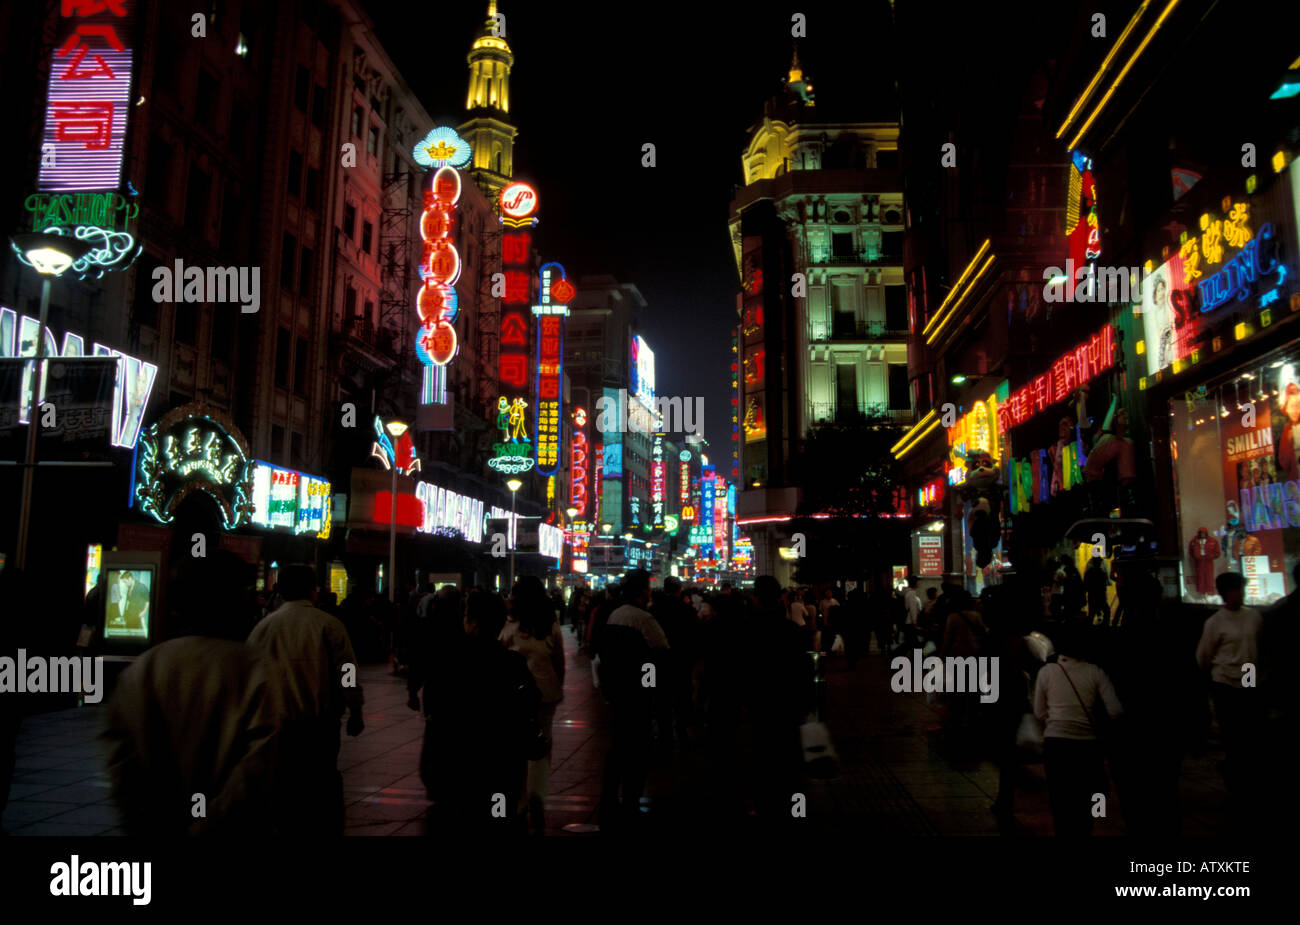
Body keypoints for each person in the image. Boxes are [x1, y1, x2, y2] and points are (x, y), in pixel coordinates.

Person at [103, 551, 279, 835]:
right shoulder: (252, 670)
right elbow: (257, 767)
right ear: (229, 600)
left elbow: (122, 761)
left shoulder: (145, 668)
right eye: (246, 592)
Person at [410, 588, 540, 834]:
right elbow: (529, 702)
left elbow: (434, 710)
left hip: (454, 767)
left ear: (471, 621)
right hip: (500, 767)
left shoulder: (447, 661)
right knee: (499, 820)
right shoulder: (512, 664)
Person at [246, 564, 364, 835]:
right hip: (319, 725)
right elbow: (347, 671)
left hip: (276, 728)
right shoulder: (329, 625)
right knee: (321, 785)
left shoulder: (263, 628)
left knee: (283, 789)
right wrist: (355, 707)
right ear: (314, 590)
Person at [1033, 625, 1123, 836]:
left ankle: (1063, 830)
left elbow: (1039, 712)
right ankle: (1086, 827)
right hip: (1087, 744)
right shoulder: (1095, 672)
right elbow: (1115, 710)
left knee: (1060, 795)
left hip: (1056, 742)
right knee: (1088, 793)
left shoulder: (1047, 672)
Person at [598, 569, 668, 829]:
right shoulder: (643, 618)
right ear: (643, 592)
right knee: (639, 747)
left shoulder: (615, 615)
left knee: (617, 746)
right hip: (638, 692)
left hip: (618, 691)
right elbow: (660, 651)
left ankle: (608, 798)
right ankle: (631, 800)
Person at [501, 577, 565, 835]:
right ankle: (537, 794)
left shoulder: (508, 626)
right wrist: (556, 685)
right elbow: (558, 661)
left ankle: (518, 802)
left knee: (514, 747)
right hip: (545, 693)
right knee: (542, 745)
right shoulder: (550, 625)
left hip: (514, 695)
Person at [1195, 571, 1263, 803]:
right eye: (1236, 590)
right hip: (1225, 681)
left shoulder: (1253, 617)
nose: (1239, 594)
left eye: (1241, 589)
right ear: (1225, 594)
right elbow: (1204, 656)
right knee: (1234, 733)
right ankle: (1237, 777)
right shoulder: (1214, 623)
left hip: (1249, 679)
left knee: (1249, 732)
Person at [902, 577, 921, 650]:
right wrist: (915, 621)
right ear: (915, 583)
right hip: (910, 622)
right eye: (918, 582)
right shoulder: (912, 593)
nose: (919, 583)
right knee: (914, 644)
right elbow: (913, 609)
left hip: (907, 621)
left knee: (910, 643)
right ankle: (918, 660)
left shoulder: (907, 592)